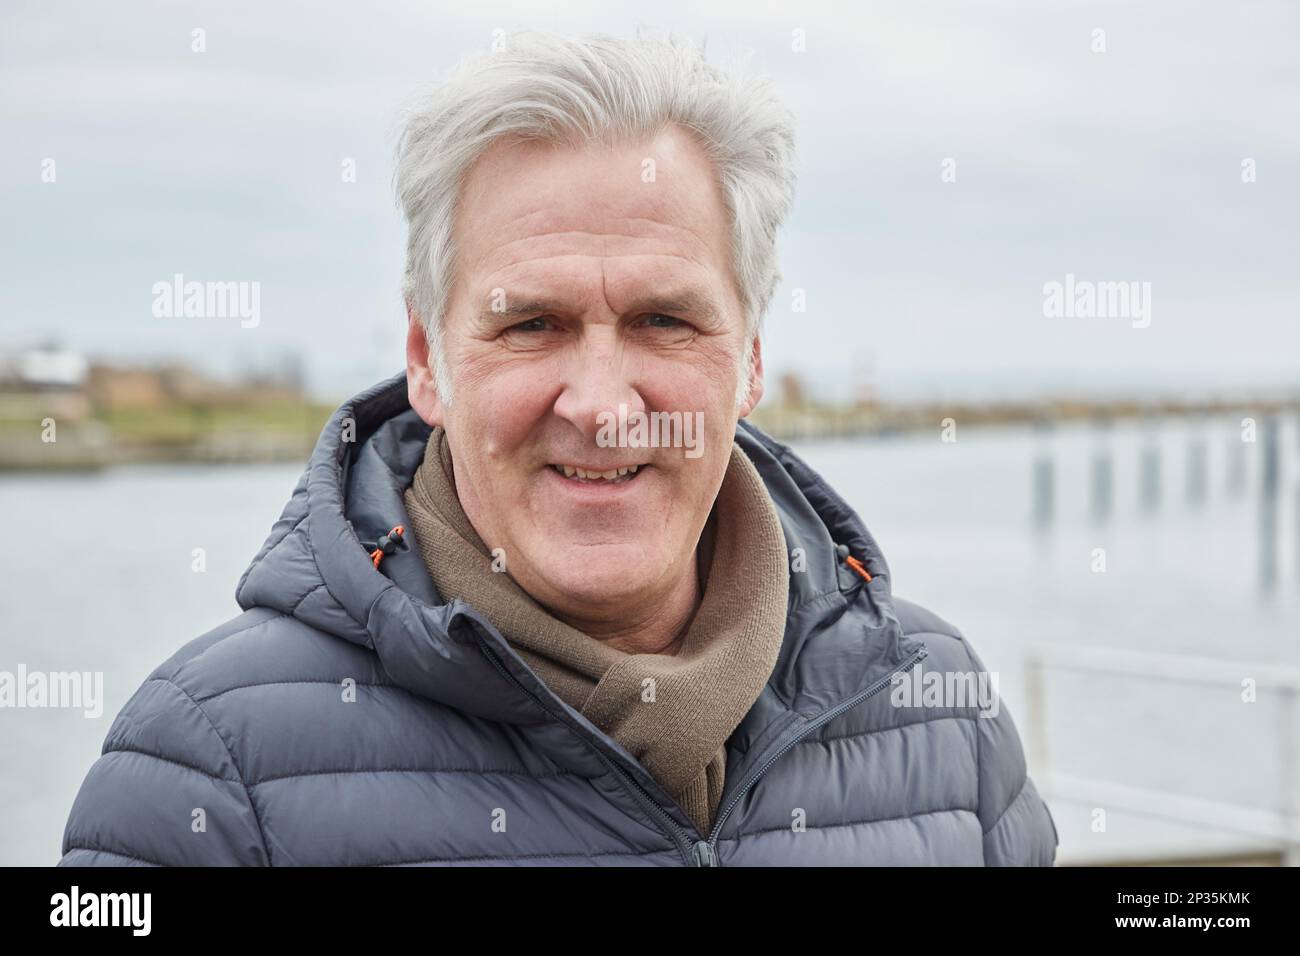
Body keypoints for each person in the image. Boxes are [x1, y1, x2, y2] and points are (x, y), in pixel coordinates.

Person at [59, 30, 1057, 866]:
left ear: (751, 359)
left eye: (665, 319)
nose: (600, 405)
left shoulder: (936, 716)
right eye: (531, 323)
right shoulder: (208, 767)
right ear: (427, 359)